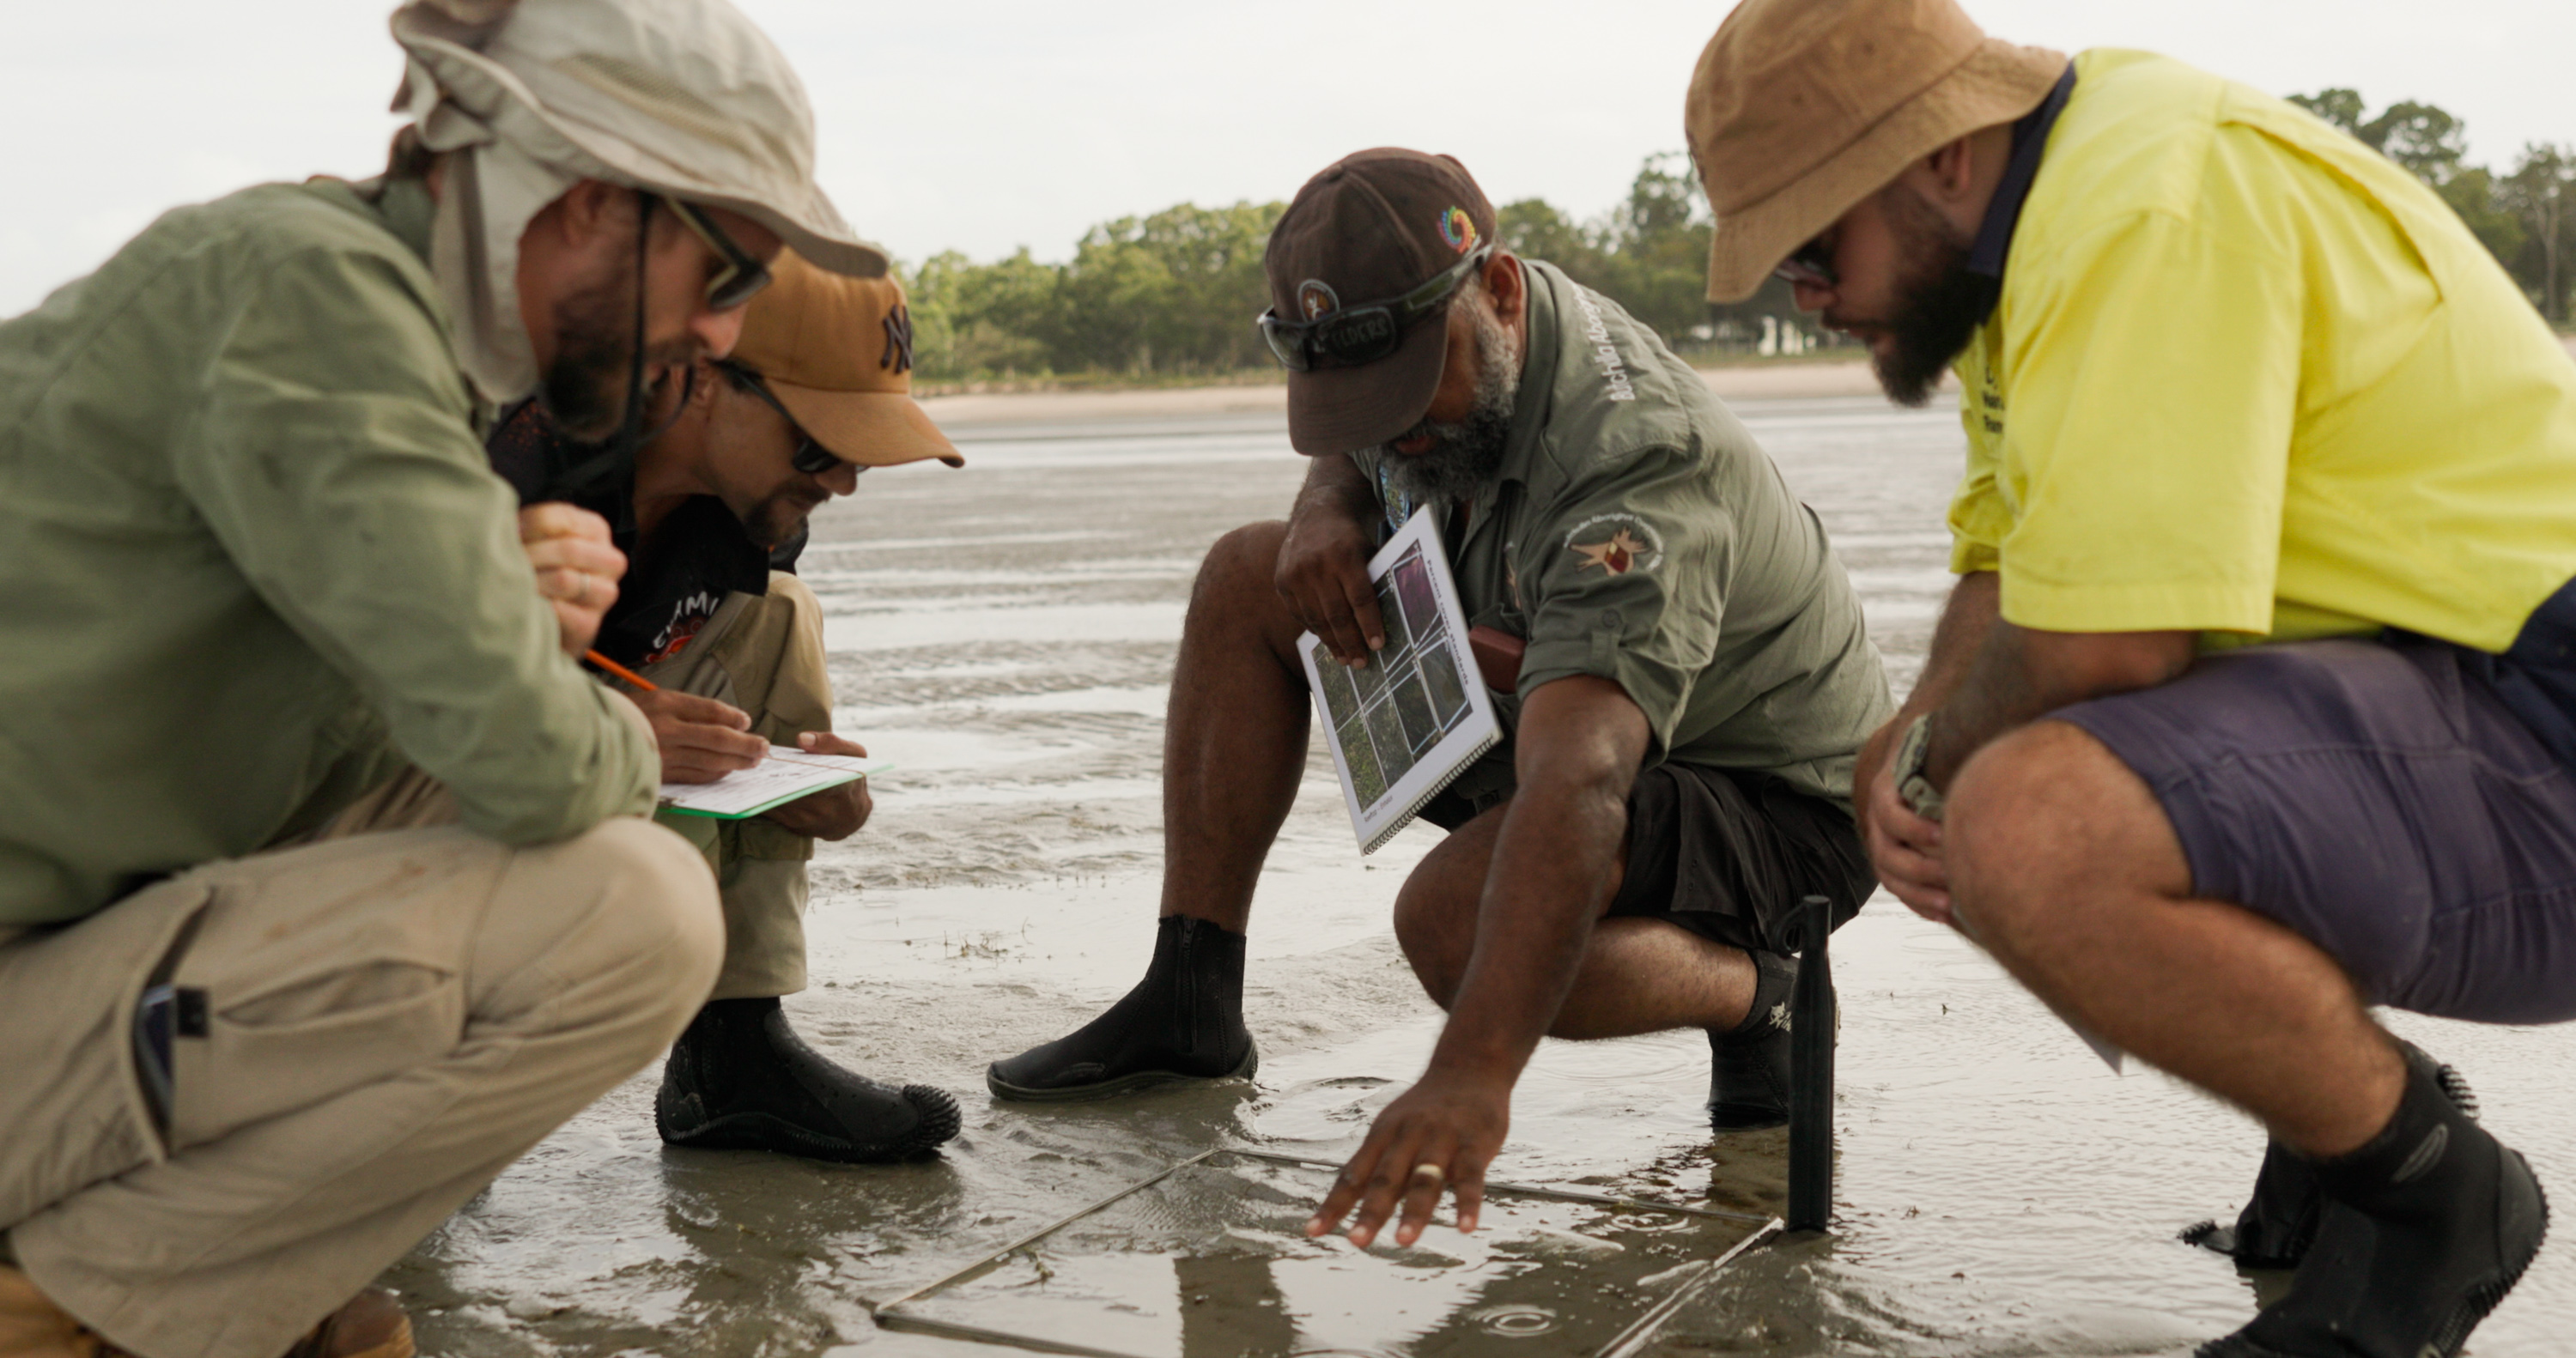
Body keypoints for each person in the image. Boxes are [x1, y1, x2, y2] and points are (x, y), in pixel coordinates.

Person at [0, 0, 892, 1353]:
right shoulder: (309, 290)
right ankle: (74, 1307)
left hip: (62, 953)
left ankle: (183, 1284)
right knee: (630, 912)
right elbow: (530, 763)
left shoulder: (386, 335)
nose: (720, 338)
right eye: (725, 281)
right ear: (593, 201)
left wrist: (507, 625)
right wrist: (622, 728)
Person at [1684, 1, 2568, 1354]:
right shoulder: (2028, 229)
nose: (1804, 295)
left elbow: (2106, 644)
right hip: (2453, 696)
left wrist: (1933, 767)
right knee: (1983, 785)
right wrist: (1911, 734)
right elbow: (2005, 552)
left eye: (1812, 244)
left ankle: (2436, 1200)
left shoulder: (2139, 206)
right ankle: (2342, 1136)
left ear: (1940, 158)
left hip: (2542, 715)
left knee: (2031, 821)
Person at [986, 149, 1893, 1252]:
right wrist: (1327, 500)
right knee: (1247, 577)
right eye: (1352, 406)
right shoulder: (1425, 353)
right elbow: (1362, 448)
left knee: (1452, 924)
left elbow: (1583, 778)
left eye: (1413, 393)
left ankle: (1763, 996)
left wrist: (1472, 1071)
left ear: (1499, 291)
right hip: (1541, 680)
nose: (1395, 430)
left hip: (1774, 800)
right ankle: (1191, 998)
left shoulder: (1636, 459)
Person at [486, 250, 967, 1162]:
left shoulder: (756, 512)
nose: (842, 482)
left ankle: (734, 1049)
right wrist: (611, 731)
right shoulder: (517, 455)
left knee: (779, 611)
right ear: (704, 379)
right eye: (822, 446)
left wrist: (809, 790)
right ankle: (404, 1077)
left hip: (562, 726)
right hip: (412, 765)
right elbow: (376, 697)